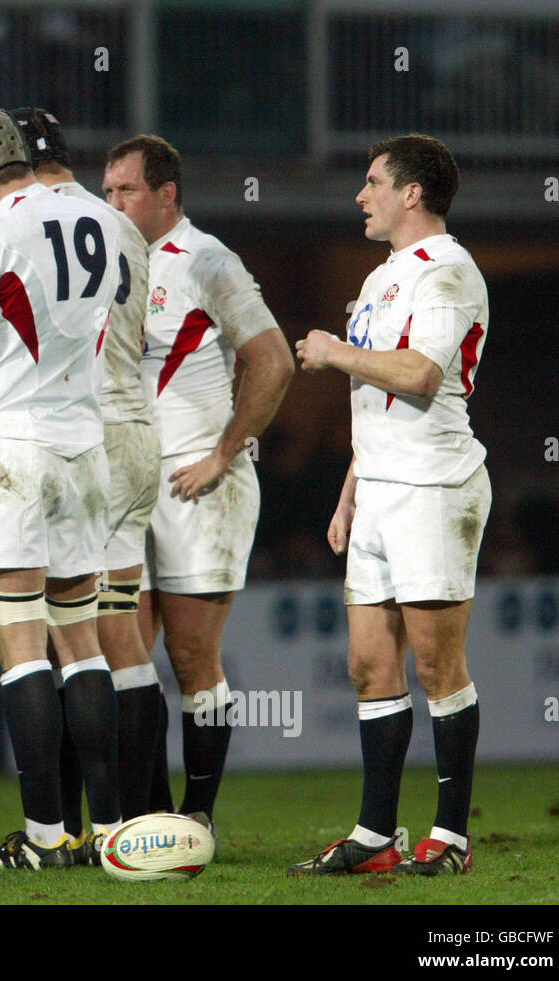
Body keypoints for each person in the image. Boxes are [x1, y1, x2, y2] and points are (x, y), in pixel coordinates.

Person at [0, 106, 123, 869]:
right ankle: (105, 830)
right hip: (82, 443)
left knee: (21, 649)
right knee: (82, 644)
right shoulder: (98, 219)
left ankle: (45, 836)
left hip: (11, 445)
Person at [290, 134, 490, 876]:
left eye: (373, 182)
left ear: (412, 193)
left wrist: (335, 350)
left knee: (438, 664)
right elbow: (376, 399)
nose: (360, 195)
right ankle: (376, 837)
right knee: (369, 665)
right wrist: (351, 487)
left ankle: (451, 839)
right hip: (379, 487)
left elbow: (421, 374)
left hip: (434, 486)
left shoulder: (447, 270)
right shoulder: (381, 278)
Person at [103, 134, 293, 834]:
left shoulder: (207, 259)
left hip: (196, 482)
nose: (113, 202)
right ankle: (150, 815)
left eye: (127, 190)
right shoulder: (106, 260)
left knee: (188, 654)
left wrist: (223, 452)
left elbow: (272, 360)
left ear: (167, 195)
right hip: (125, 480)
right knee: (124, 653)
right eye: (108, 189)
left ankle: (199, 814)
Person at [11, 108, 162, 849]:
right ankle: (142, 810)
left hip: (83, 433)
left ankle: (78, 824)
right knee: (118, 638)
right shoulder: (119, 225)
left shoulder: (29, 223)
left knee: (66, 638)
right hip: (136, 433)